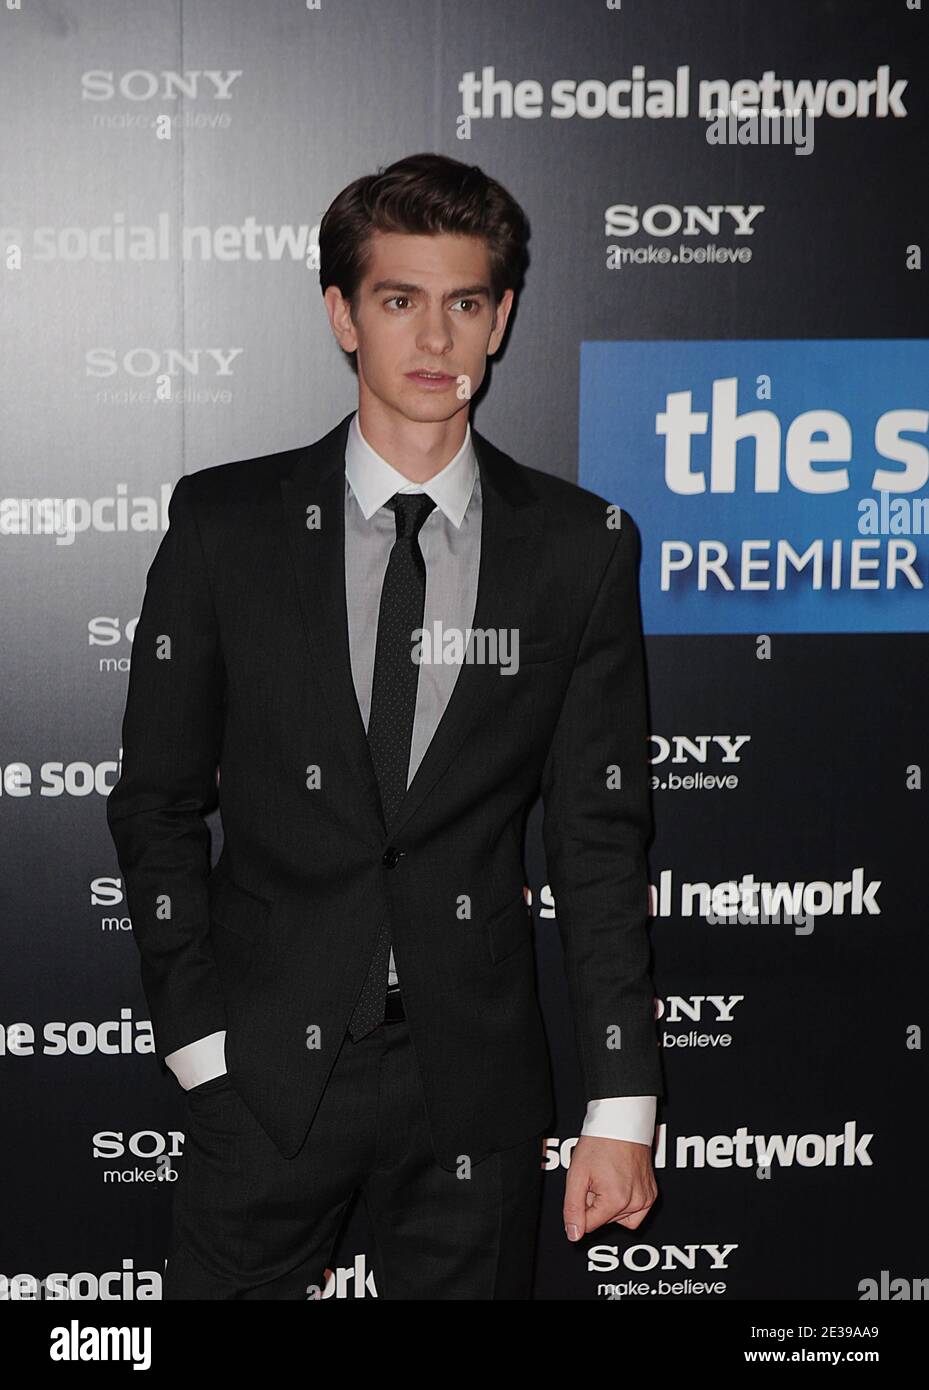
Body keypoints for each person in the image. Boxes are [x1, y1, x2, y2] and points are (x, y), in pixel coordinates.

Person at [106, 151, 664, 1300]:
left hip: (474, 1079)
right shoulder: (224, 526)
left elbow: (598, 838)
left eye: (463, 303)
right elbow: (157, 801)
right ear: (340, 315)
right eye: (397, 299)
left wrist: (620, 1103)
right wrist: (199, 1040)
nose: (434, 338)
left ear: (501, 320)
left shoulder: (578, 547)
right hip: (260, 1070)